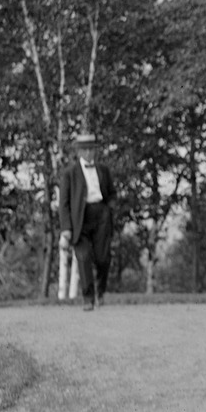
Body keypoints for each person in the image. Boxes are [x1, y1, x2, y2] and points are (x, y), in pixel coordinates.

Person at [59, 132, 116, 312]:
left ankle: (100, 293)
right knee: (83, 257)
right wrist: (66, 229)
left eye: (92, 149)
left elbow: (112, 194)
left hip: (101, 216)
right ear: (79, 152)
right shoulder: (69, 173)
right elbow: (64, 203)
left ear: (95, 151)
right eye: (85, 149)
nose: (89, 153)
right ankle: (88, 298)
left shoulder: (103, 170)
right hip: (79, 220)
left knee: (102, 258)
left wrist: (110, 209)